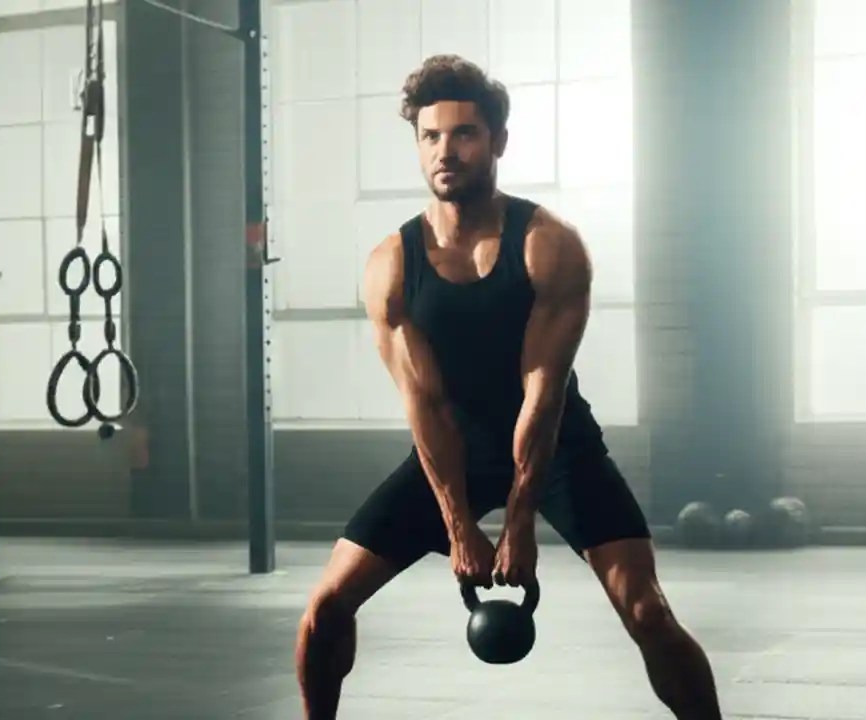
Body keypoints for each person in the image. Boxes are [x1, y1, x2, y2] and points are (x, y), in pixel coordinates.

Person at [294, 54, 724, 720]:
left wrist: (520, 520)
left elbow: (542, 391)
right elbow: (426, 405)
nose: (447, 150)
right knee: (325, 608)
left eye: (464, 133)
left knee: (648, 611)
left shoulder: (549, 245)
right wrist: (460, 525)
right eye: (431, 136)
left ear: (497, 140)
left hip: (559, 449)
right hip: (450, 451)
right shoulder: (391, 265)